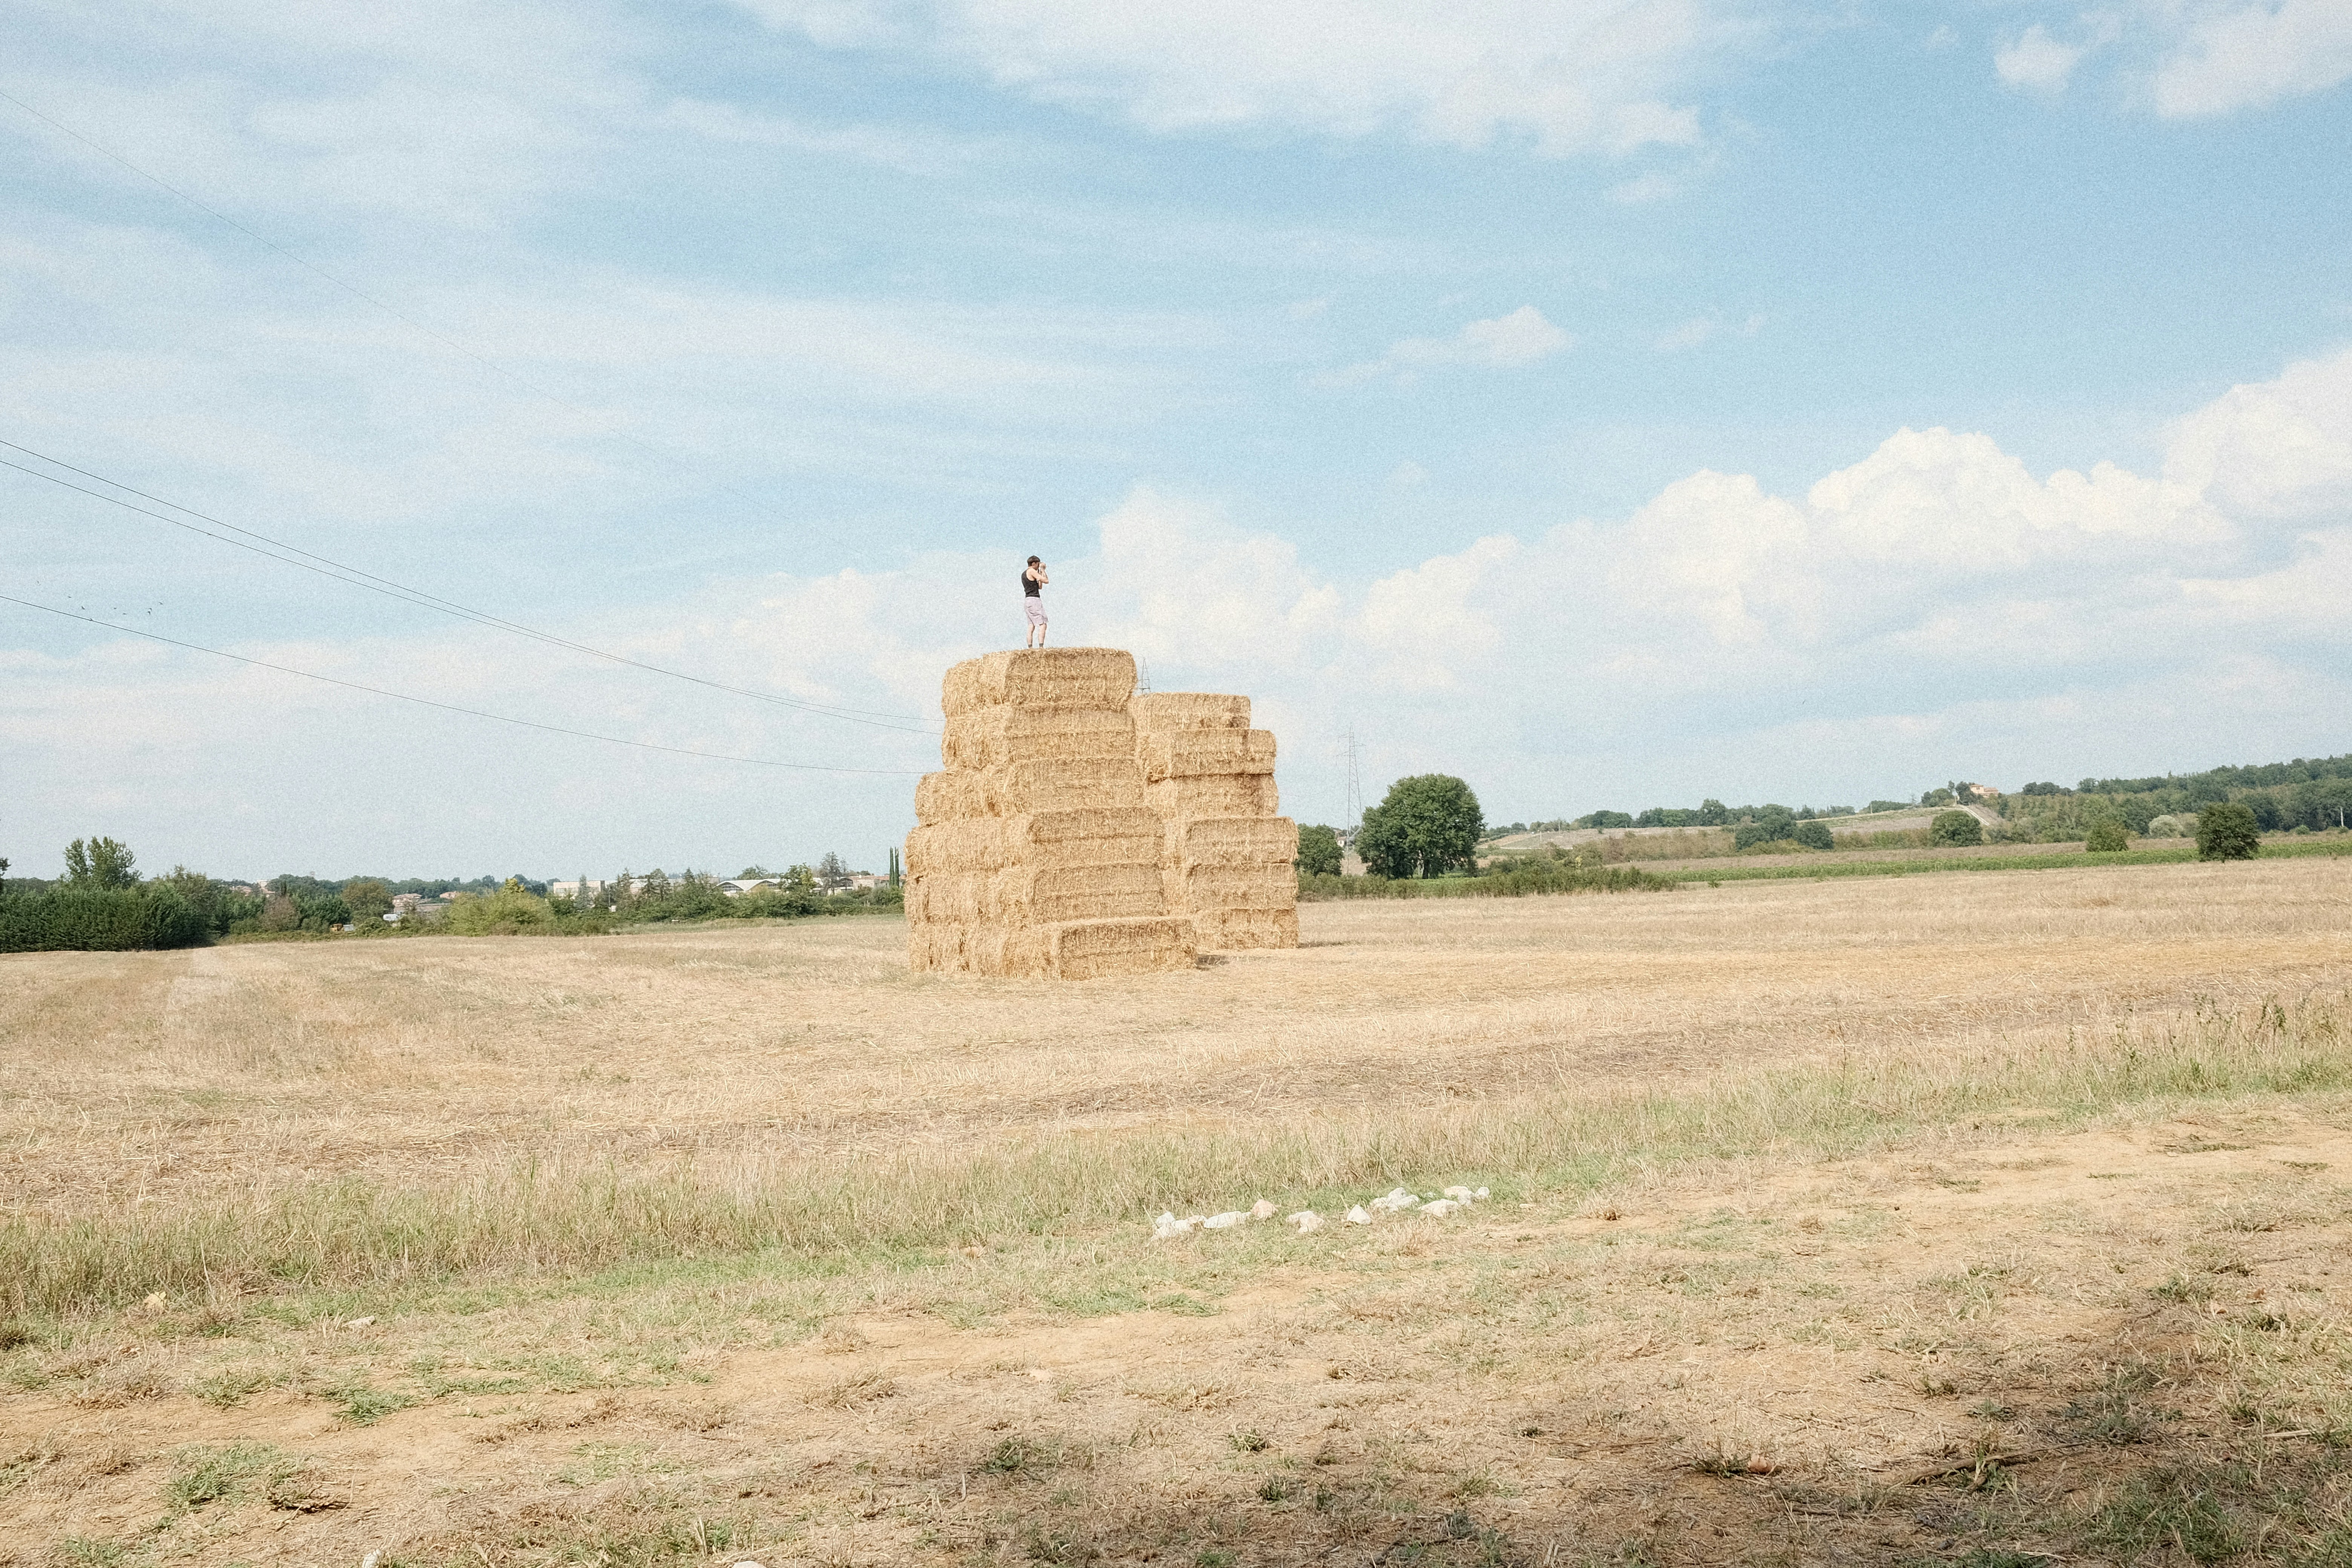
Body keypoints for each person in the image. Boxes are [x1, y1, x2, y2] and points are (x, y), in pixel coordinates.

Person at [1021, 555, 1048, 648]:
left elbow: (1040, 587)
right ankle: (1041, 647)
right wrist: (1043, 570)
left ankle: (1030, 648)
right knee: (1043, 624)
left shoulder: (1025, 574)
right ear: (1033, 564)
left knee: (1031, 625)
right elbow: (1046, 581)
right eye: (1038, 564)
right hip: (1034, 600)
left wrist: (1040, 572)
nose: (1038, 566)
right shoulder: (1032, 571)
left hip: (1028, 600)